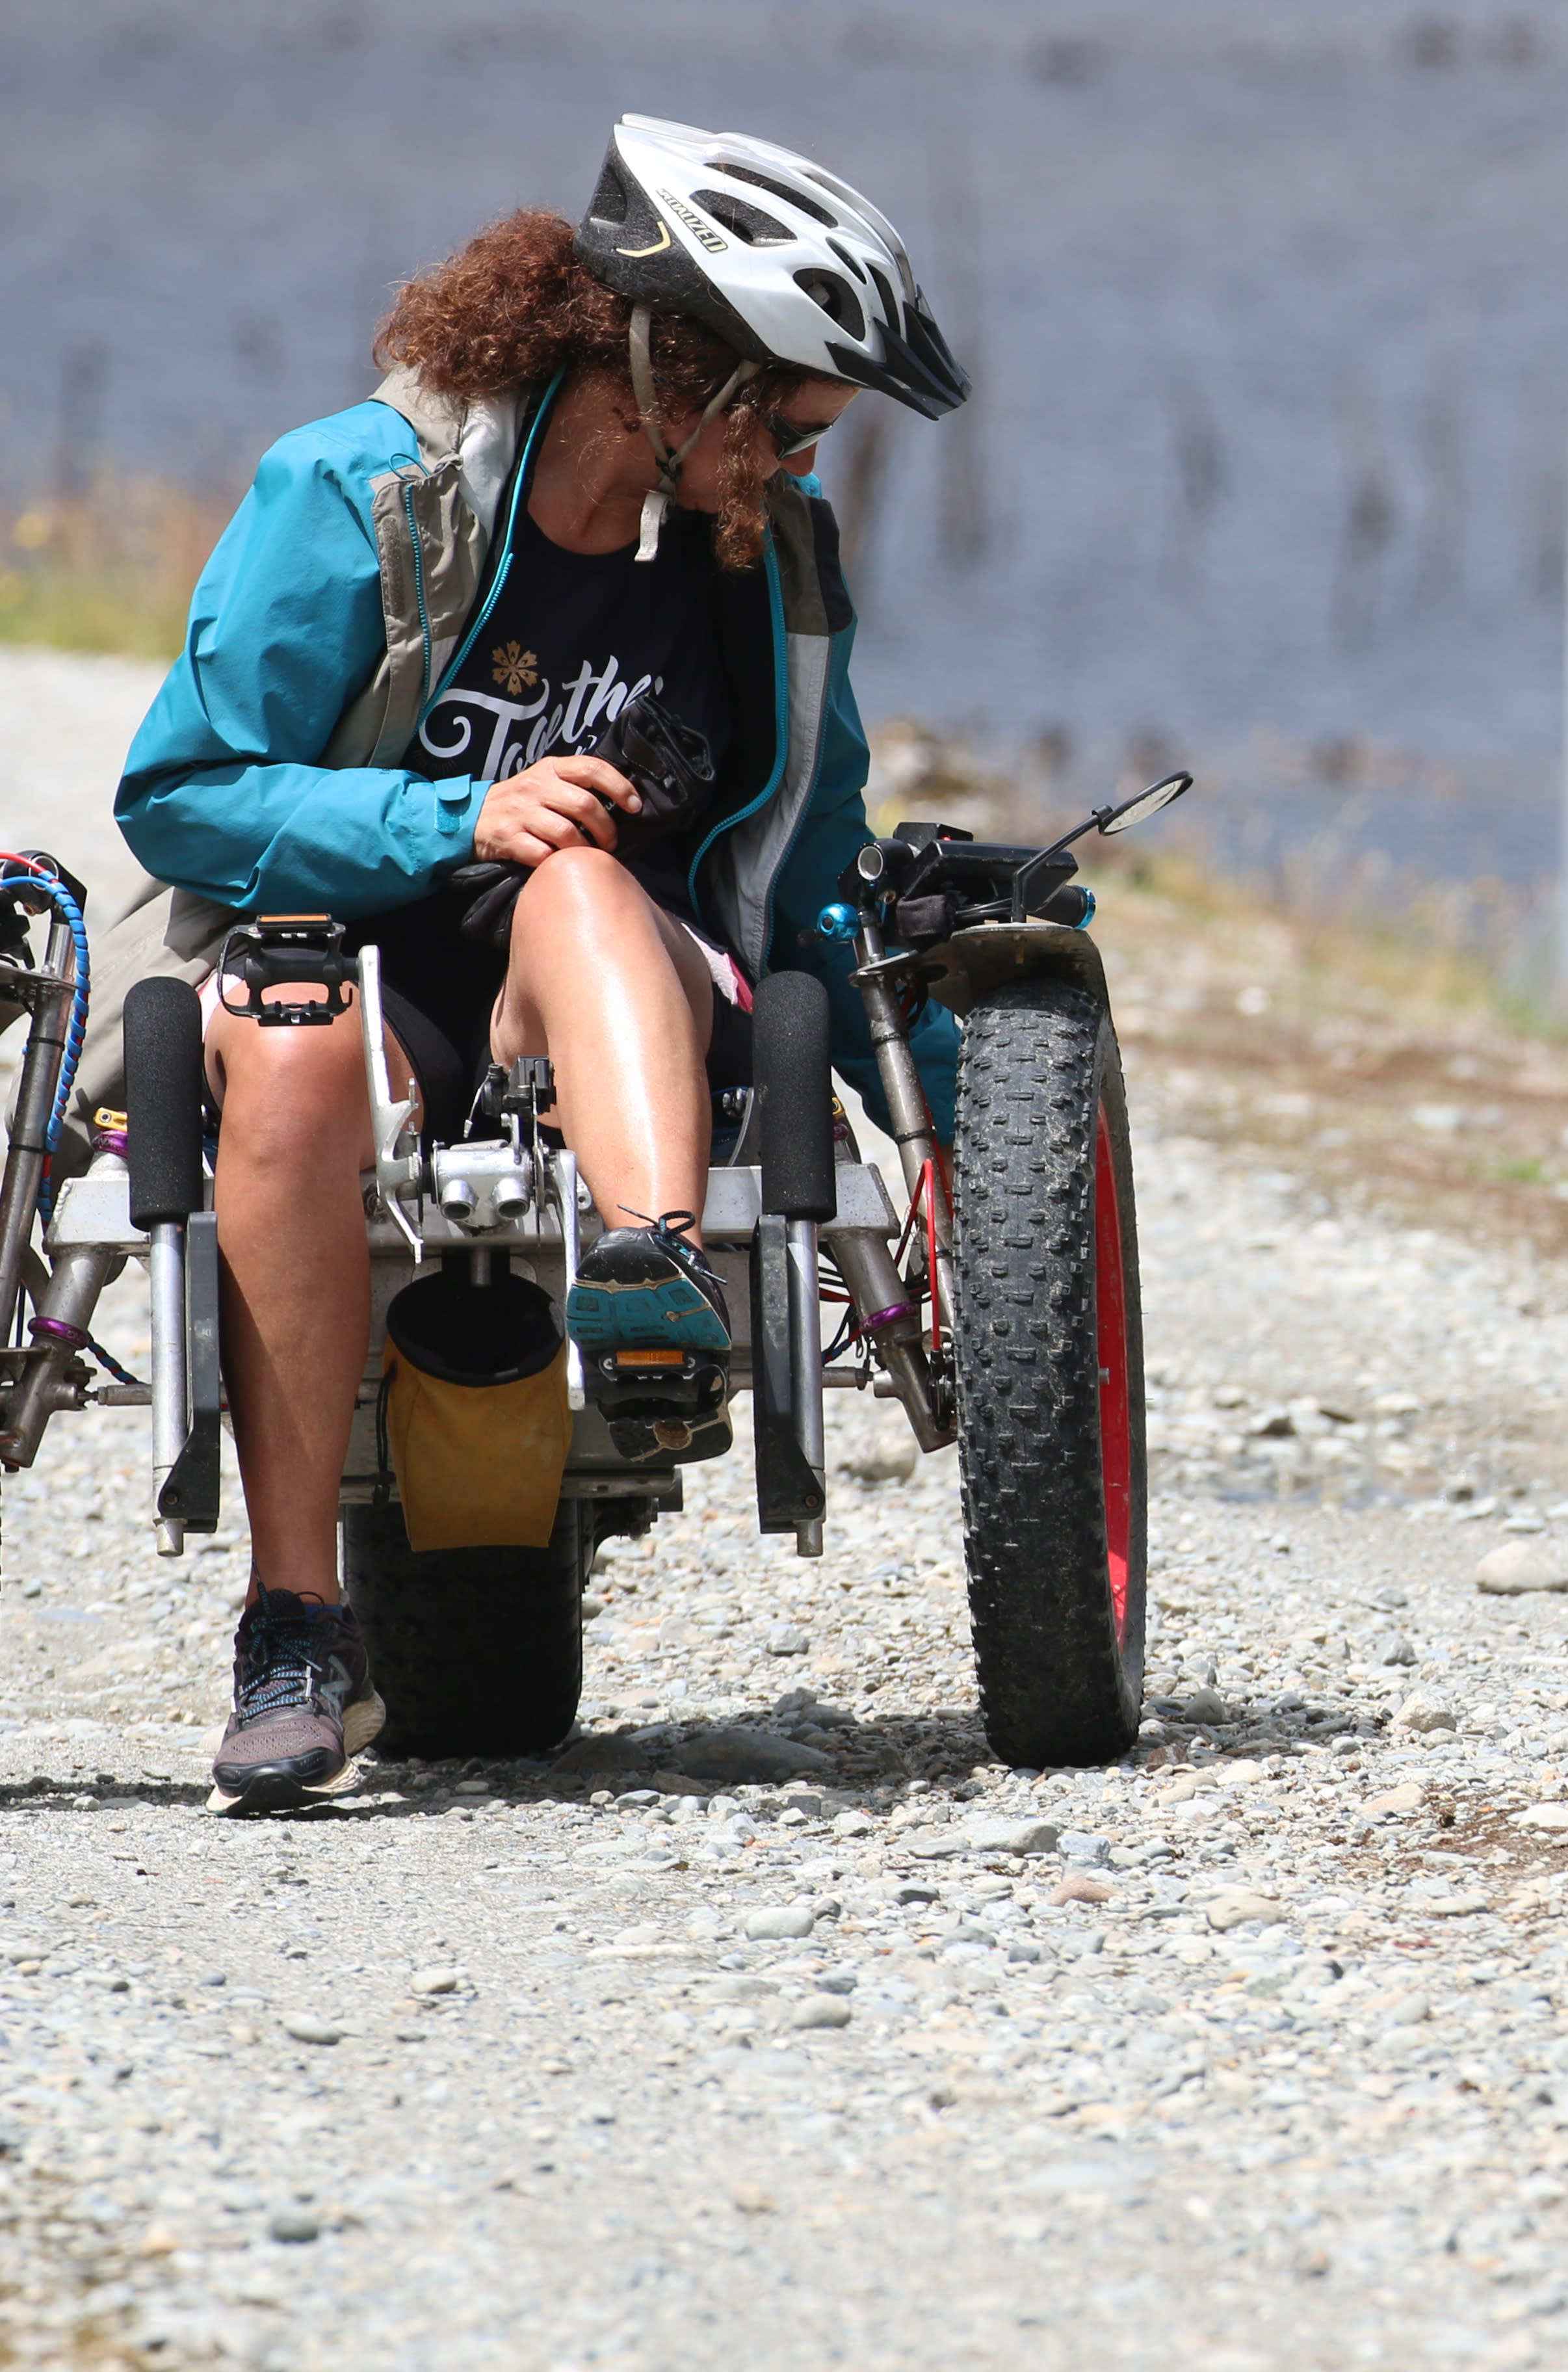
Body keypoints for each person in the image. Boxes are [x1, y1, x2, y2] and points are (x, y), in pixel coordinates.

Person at [112, 117, 969, 1815]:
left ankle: (645, 1275)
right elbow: (183, 793)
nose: (801, 474)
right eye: (787, 433)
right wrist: (453, 820)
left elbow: (808, 867)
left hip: (626, 992)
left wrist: (940, 1126)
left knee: (581, 881)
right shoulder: (358, 492)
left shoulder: (764, 573)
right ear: (674, 372)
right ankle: (295, 1629)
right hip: (372, 969)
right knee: (290, 1035)